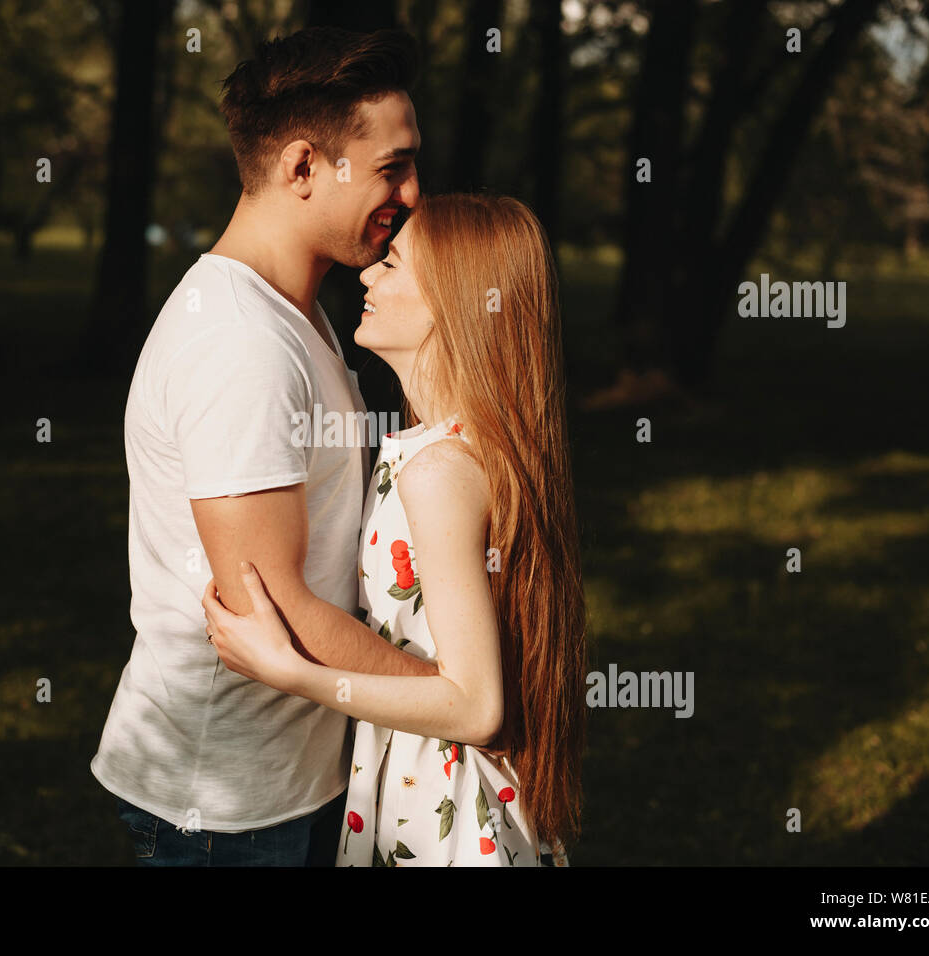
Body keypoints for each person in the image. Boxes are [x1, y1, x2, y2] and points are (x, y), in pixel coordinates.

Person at [90, 26, 428, 866]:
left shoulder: (297, 314)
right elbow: (267, 610)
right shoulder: (240, 344)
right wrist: (458, 703)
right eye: (392, 168)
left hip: (288, 781)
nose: (414, 193)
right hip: (228, 808)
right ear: (304, 166)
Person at [202, 193, 589, 866]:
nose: (367, 277)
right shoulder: (439, 448)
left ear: (454, 300)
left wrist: (291, 672)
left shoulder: (440, 470)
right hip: (424, 793)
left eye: (393, 263)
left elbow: (476, 709)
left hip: (449, 821)